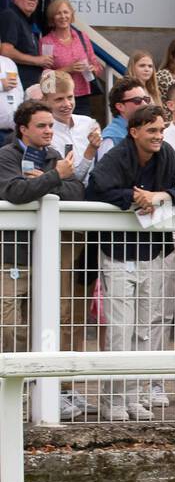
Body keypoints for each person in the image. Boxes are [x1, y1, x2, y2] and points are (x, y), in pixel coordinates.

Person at [84, 105, 175, 421]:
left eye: (161, 130)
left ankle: (135, 396)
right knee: (120, 327)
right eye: (151, 130)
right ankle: (112, 399)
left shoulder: (166, 154)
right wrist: (134, 197)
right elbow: (95, 189)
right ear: (134, 131)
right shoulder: (117, 156)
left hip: (153, 251)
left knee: (144, 327)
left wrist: (159, 196)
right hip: (117, 252)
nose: (158, 136)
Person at [0, 99, 84, 357]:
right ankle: (12, 377)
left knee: (46, 323)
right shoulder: (6, 155)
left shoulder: (53, 156)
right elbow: (15, 191)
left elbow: (77, 192)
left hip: (48, 255)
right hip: (11, 254)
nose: (48, 131)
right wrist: (55, 176)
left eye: (50, 125)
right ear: (23, 129)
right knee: (8, 324)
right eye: (41, 126)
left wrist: (49, 181)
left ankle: (36, 379)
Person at [38, 0, 102, 116]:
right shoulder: (47, 42)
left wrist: (94, 68)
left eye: (66, 12)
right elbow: (46, 76)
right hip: (59, 97)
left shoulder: (82, 37)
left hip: (83, 96)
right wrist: (68, 69)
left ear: (71, 14)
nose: (63, 16)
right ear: (52, 18)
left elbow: (95, 63)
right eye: (58, 13)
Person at [44, 71, 100, 184]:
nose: (67, 104)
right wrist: (91, 150)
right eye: (59, 99)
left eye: (70, 97)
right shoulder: (45, 133)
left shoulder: (88, 123)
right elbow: (72, 180)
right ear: (45, 101)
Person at [0, 0, 51, 90]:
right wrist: (37, 60)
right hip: (18, 87)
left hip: (32, 86)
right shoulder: (10, 15)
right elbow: (5, 50)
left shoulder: (26, 20)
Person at [98, 77, 151, 161]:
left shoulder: (147, 130)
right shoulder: (111, 138)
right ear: (120, 106)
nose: (144, 104)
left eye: (146, 99)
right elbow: (103, 169)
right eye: (137, 100)